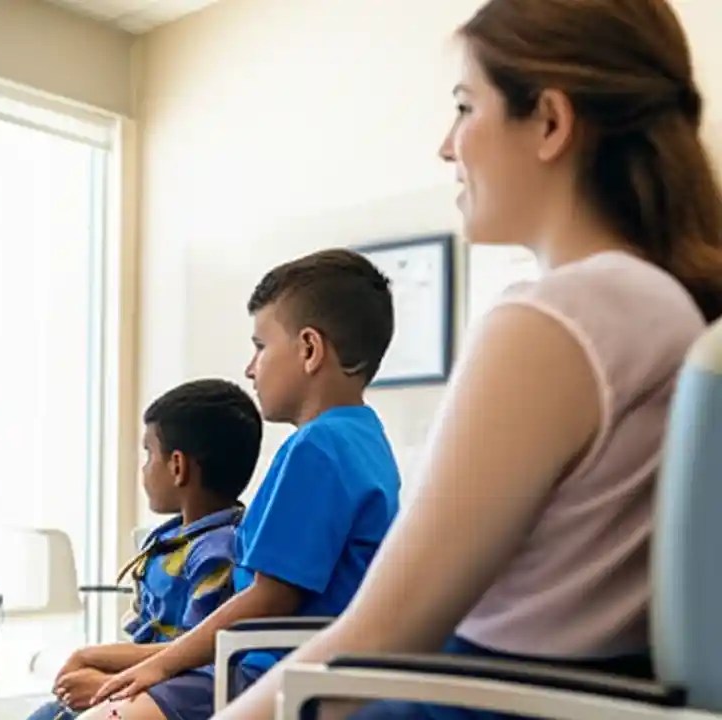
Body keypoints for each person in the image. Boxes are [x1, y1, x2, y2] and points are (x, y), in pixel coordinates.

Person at [216, 1, 722, 719]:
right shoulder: (660, 304)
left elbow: (380, 636)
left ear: (550, 122)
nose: (446, 147)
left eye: (464, 107)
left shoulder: (556, 320)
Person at [86, 250, 401, 720]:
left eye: (260, 346)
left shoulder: (317, 447)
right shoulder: (366, 437)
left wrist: (159, 665)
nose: (251, 368)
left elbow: (270, 597)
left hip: (270, 674)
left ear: (309, 350)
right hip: (300, 668)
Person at [27, 378, 263, 720]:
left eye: (148, 452)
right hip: (148, 675)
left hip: (177, 691)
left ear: (177, 466)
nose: (144, 467)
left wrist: (103, 674)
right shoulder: (172, 537)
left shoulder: (216, 550)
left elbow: (192, 651)